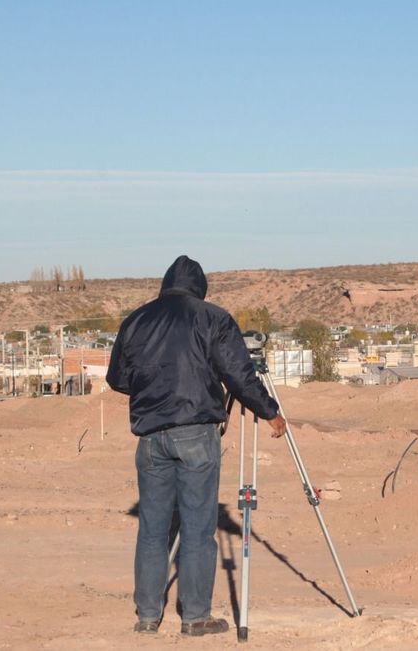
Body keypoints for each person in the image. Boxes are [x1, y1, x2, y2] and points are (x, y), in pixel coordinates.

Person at [107, 256, 287, 636]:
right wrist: (269, 411)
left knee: (152, 529)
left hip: (150, 437)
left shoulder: (136, 320)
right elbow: (238, 375)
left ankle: (147, 616)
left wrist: (153, 389)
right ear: (200, 287)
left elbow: (117, 379)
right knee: (198, 527)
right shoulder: (212, 317)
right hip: (195, 433)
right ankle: (195, 616)